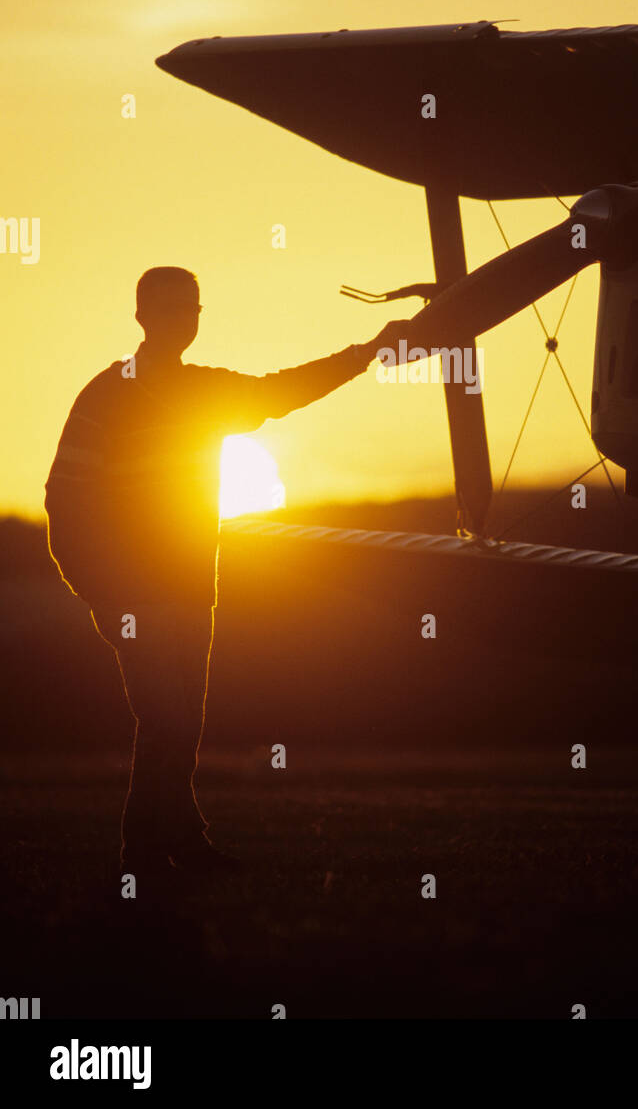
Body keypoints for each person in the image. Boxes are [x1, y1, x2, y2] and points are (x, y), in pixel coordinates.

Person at [44, 266, 406, 881]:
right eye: (166, 309)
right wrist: (104, 594)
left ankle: (181, 843)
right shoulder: (104, 396)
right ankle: (141, 854)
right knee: (169, 720)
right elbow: (63, 501)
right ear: (140, 317)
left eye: (190, 308)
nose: (180, 319)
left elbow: (282, 390)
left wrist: (367, 353)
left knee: (182, 725)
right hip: (135, 597)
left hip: (191, 590)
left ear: (198, 316)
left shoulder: (206, 390)